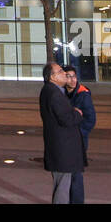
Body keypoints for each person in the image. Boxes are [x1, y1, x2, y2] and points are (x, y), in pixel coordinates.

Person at [40, 62, 86, 204]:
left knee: (63, 185)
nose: (64, 73)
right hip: (62, 149)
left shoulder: (53, 91)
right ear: (52, 77)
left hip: (61, 148)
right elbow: (66, 119)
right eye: (60, 71)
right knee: (62, 187)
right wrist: (77, 114)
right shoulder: (54, 93)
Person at [63, 65, 95, 204]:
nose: (72, 80)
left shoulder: (83, 94)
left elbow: (90, 119)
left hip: (79, 139)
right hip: (65, 140)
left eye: (74, 76)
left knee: (76, 174)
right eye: (69, 76)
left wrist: (79, 133)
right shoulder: (61, 93)